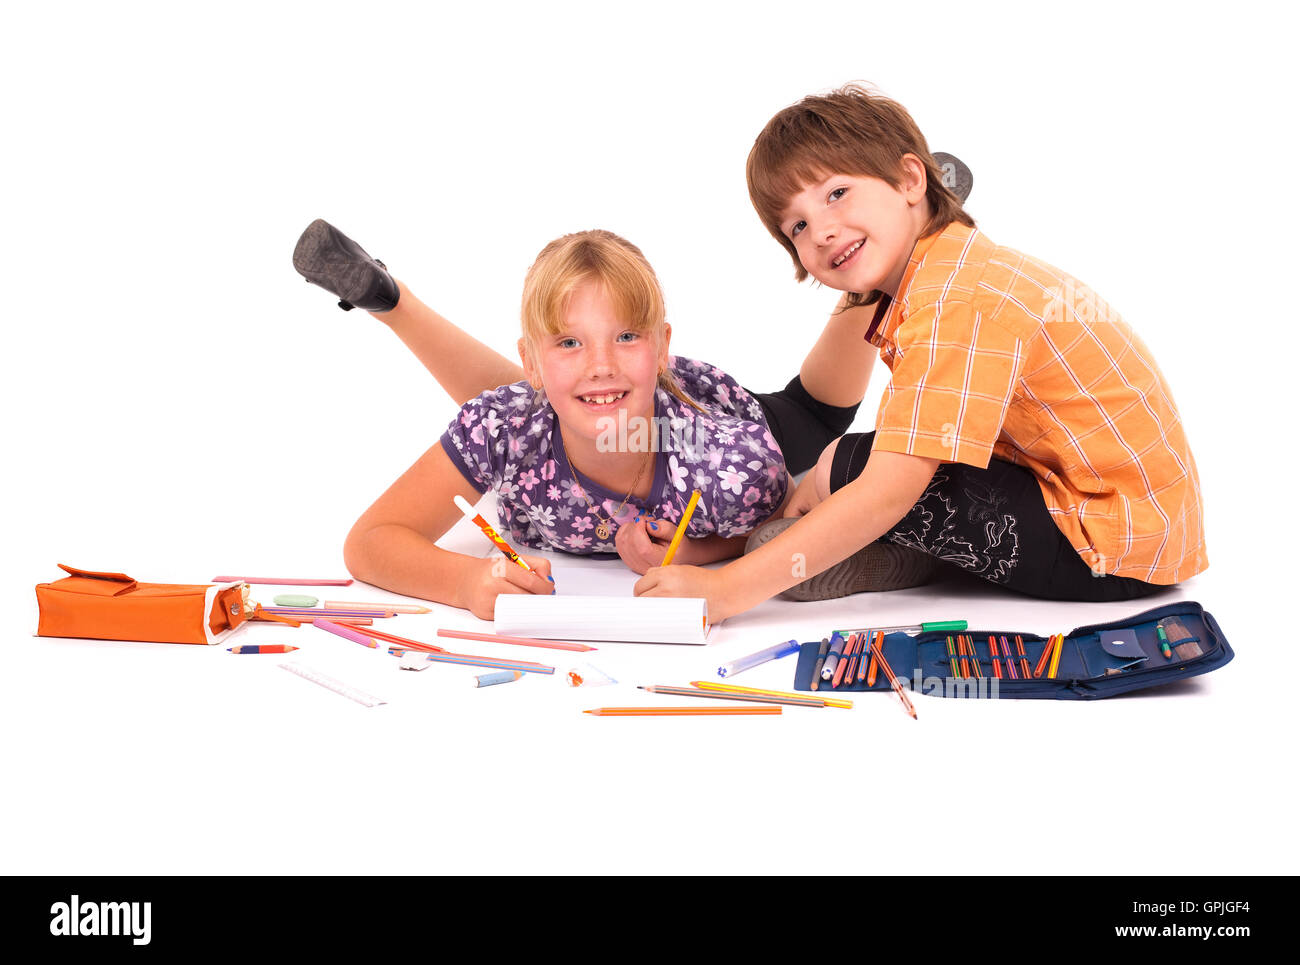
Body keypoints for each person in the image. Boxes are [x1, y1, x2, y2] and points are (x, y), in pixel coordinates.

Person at [635, 83, 1207, 620]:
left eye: (837, 194)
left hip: (1107, 549)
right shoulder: (947, 272)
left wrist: (724, 593)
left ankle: (855, 554)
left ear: (912, 180)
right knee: (854, 460)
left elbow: (889, 487)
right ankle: (797, 550)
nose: (822, 232)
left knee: (855, 468)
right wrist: (718, 552)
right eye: (798, 227)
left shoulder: (958, 300)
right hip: (1103, 522)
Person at [291, 222, 870, 619]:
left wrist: (700, 554)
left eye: (626, 335)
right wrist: (467, 583)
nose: (600, 362)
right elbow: (369, 542)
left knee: (814, 413)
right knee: (529, 409)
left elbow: (771, 530)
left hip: (720, 414)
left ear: (662, 346)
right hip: (561, 404)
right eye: (569, 340)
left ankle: (878, 276)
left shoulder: (730, 464)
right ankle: (393, 300)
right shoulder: (510, 422)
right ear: (529, 357)